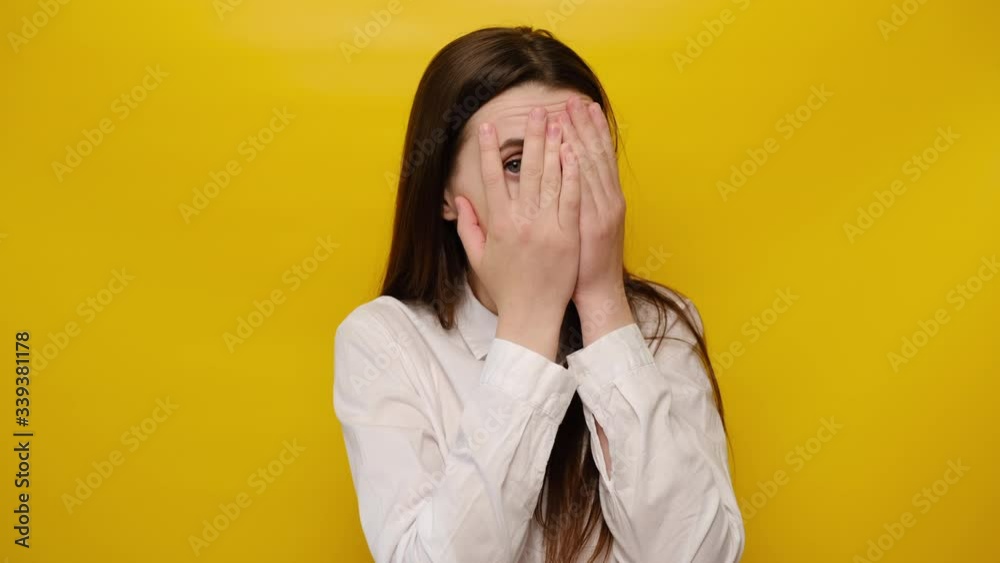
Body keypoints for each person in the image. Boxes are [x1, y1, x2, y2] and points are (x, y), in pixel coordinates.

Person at [333, 26, 744, 563]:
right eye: (515, 163)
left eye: (578, 157)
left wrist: (602, 305)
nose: (556, 185)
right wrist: (528, 324)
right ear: (444, 197)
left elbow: (699, 556)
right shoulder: (383, 341)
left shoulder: (661, 325)